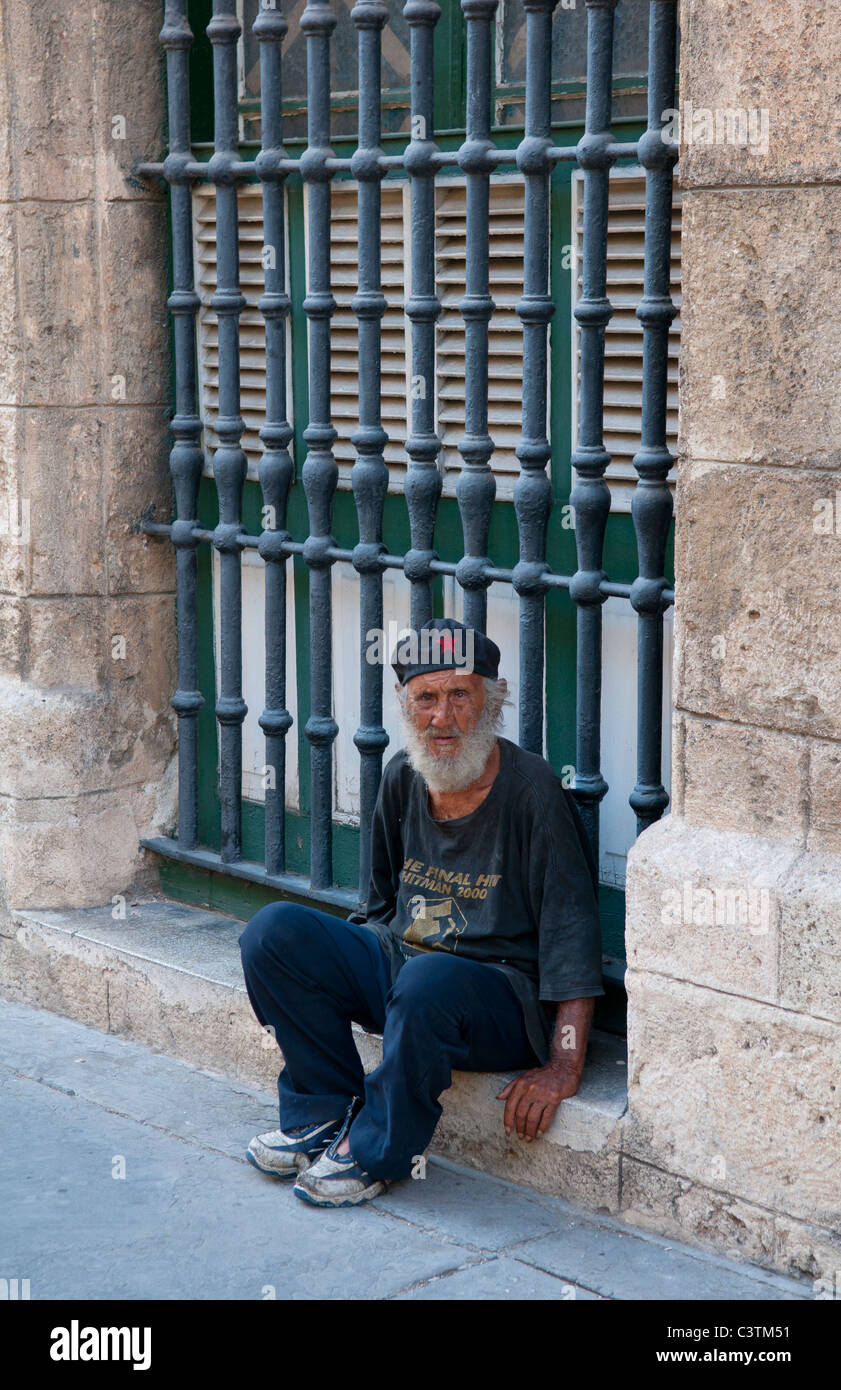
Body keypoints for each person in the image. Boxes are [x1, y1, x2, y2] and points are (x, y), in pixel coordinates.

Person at [239, 617, 604, 1208]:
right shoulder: (402, 779)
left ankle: (378, 1150)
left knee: (427, 978)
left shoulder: (534, 793)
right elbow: (382, 902)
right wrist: (357, 979)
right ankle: (322, 1113)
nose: (443, 716)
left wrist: (565, 1064)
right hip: (411, 974)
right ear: (405, 706)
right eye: (426, 698)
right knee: (273, 933)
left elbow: (573, 939)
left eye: (461, 695)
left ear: (493, 700)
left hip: (498, 999)